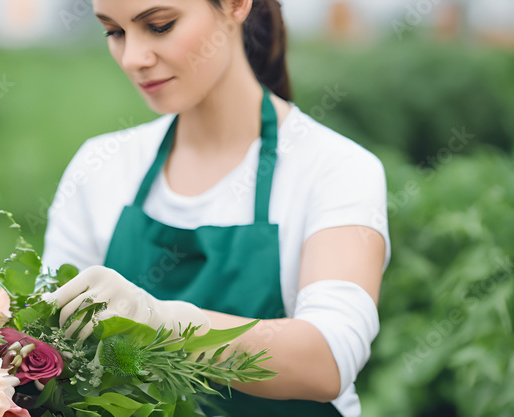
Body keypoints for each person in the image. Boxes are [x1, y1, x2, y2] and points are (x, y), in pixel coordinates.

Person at [41, 0, 390, 416]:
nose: (133, 58)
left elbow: (326, 359)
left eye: (159, 25)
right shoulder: (100, 166)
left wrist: (161, 323)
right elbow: (50, 347)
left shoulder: (335, 169)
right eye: (114, 32)